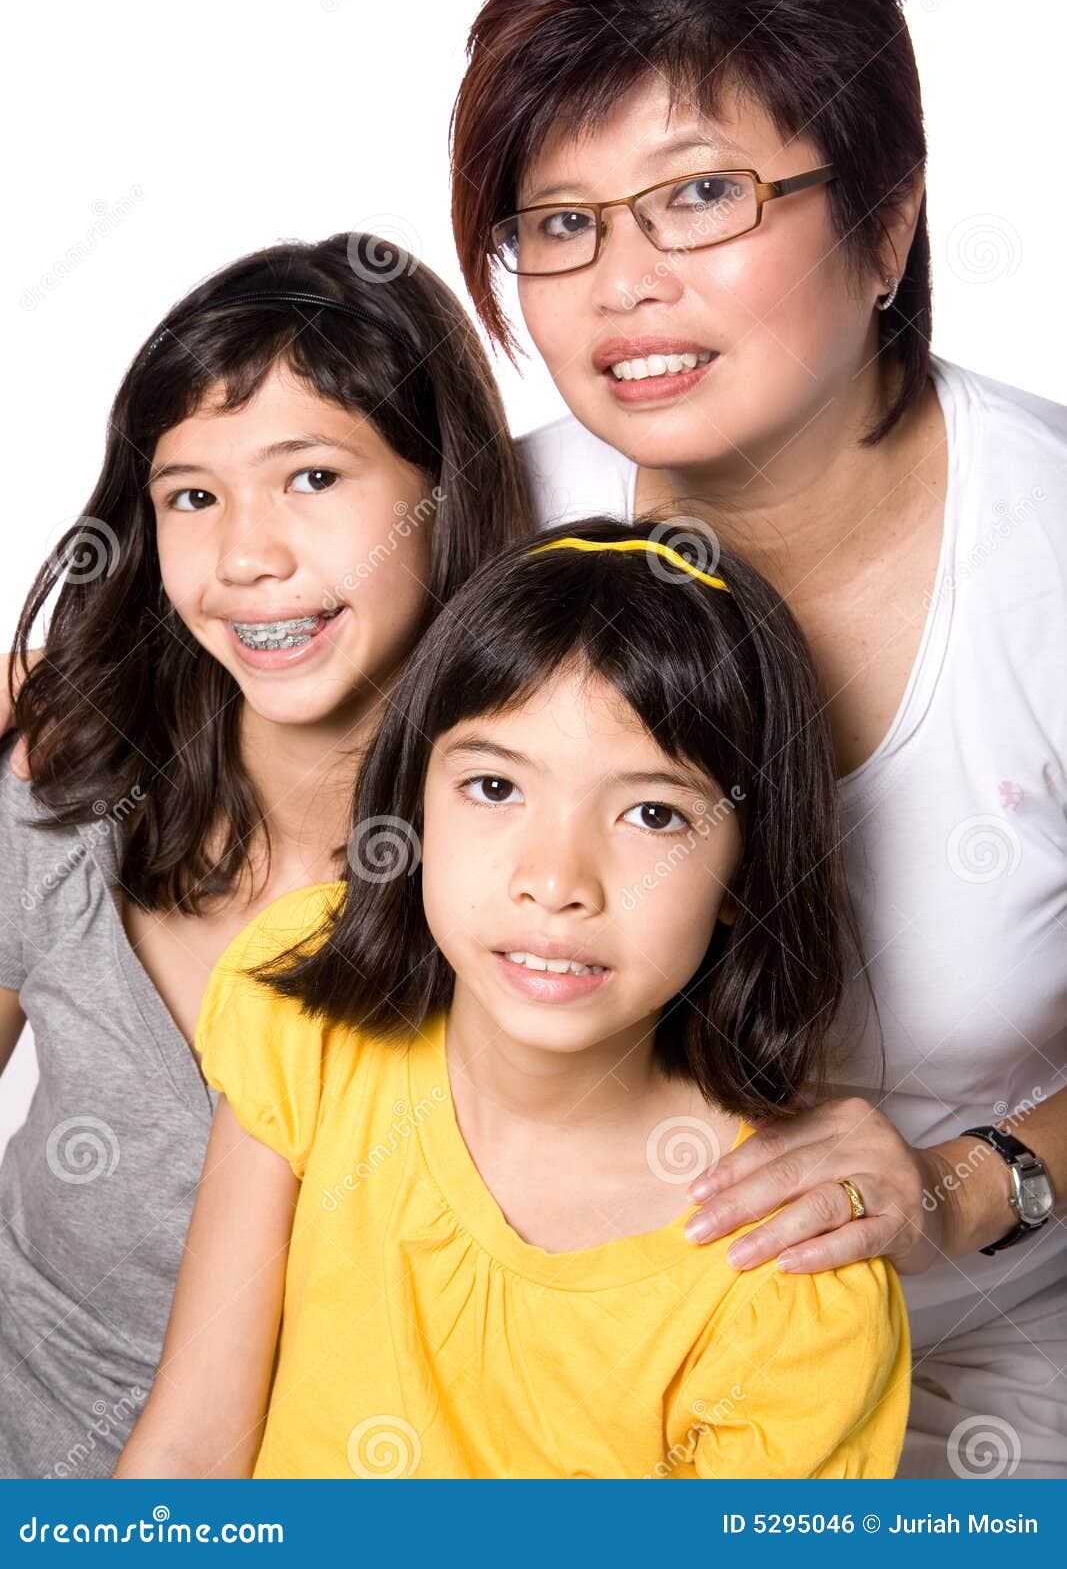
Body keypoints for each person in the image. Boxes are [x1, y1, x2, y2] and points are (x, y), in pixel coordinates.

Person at [448, 0, 1066, 1478]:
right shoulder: (484, 526)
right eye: (558, 221)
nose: (618, 284)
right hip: (555, 1317)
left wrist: (964, 1181)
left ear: (883, 222)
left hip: (974, 1344)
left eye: (699, 197)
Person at [113, 517, 910, 1479]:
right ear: (412, 808)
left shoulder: (791, 1278)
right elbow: (193, 1448)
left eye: (651, 814)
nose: (554, 879)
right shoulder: (312, 1016)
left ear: (746, 871)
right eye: (494, 787)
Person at [0, 233, 530, 1476]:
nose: (246, 556)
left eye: (311, 478)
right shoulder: (62, 794)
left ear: (439, 489)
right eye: (191, 493)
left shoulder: (530, 889)